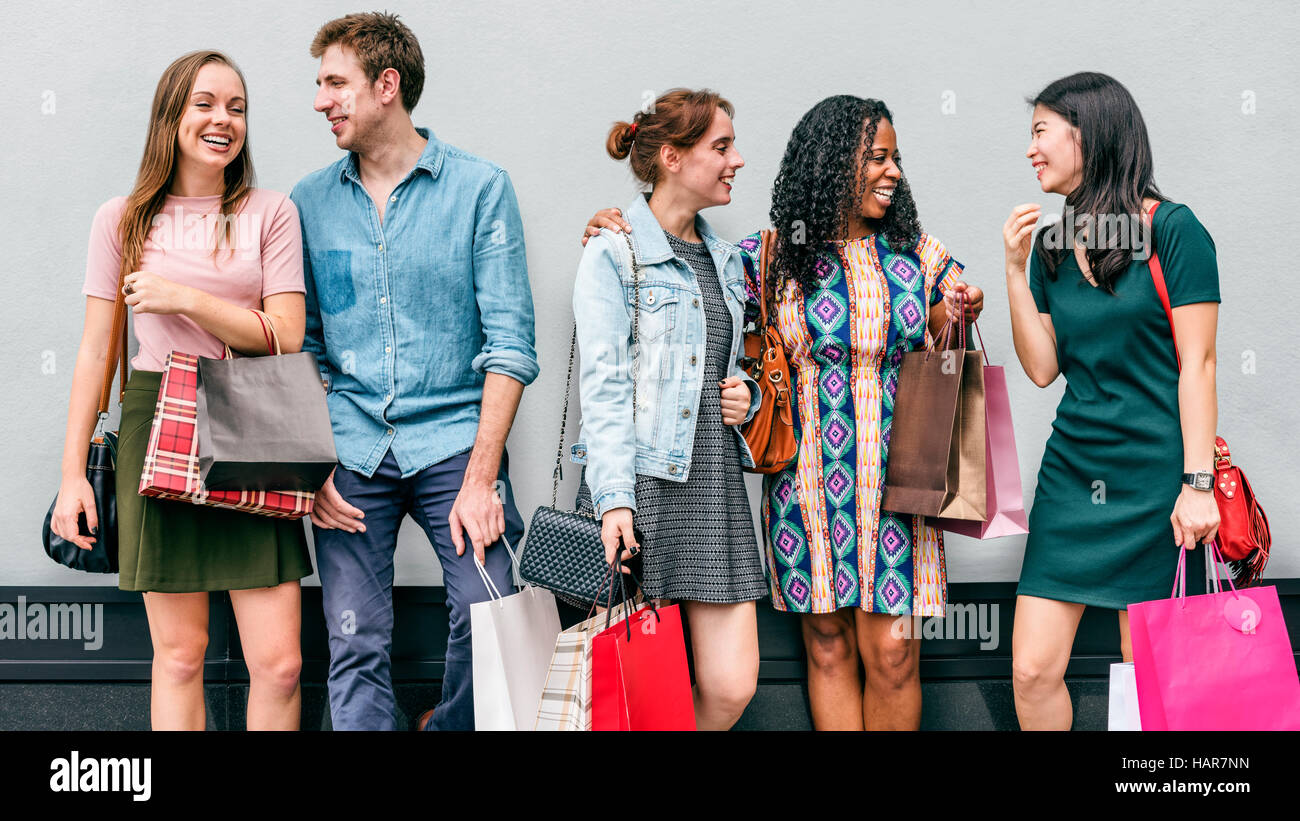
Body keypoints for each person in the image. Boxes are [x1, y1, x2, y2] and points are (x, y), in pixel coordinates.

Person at [585, 95, 983, 730]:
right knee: (826, 646)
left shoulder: (918, 254)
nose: (894, 172)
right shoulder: (766, 257)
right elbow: (681, 271)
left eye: (896, 159)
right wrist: (617, 226)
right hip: (806, 483)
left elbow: (945, 325)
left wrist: (960, 308)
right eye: (877, 158)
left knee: (893, 652)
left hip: (901, 480)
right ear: (831, 165)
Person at [290, 12, 538, 731]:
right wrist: (312, 467)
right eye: (320, 84)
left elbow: (511, 344)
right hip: (351, 449)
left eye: (335, 83)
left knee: (488, 607)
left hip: (457, 441)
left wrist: (483, 476)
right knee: (353, 636)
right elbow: (301, 347)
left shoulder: (481, 189)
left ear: (386, 86)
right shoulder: (307, 202)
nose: (320, 100)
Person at [51, 50, 312, 731]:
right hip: (154, 420)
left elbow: (285, 334)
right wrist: (72, 473)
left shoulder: (270, 212)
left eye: (237, 107)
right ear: (170, 115)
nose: (223, 119)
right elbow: (90, 351)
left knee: (281, 661)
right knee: (180, 654)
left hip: (251, 421)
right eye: (205, 104)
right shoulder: (122, 218)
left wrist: (183, 297)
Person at [1003, 72, 1220, 730]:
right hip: (1074, 477)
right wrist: (1014, 271)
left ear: (1088, 133)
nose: (1031, 149)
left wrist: (1198, 483)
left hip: (1159, 480)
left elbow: (1200, 366)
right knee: (1031, 669)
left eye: (1042, 131)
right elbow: (1042, 368)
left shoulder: (1176, 231)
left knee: (1148, 671)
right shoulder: (1048, 249)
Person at [572, 89, 766, 731]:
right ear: (672, 157)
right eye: (721, 146)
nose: (737, 159)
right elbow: (601, 389)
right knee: (638, 694)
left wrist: (746, 394)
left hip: (713, 484)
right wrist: (614, 501)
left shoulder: (729, 259)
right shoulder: (613, 253)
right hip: (642, 485)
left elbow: (729, 362)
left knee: (732, 683)